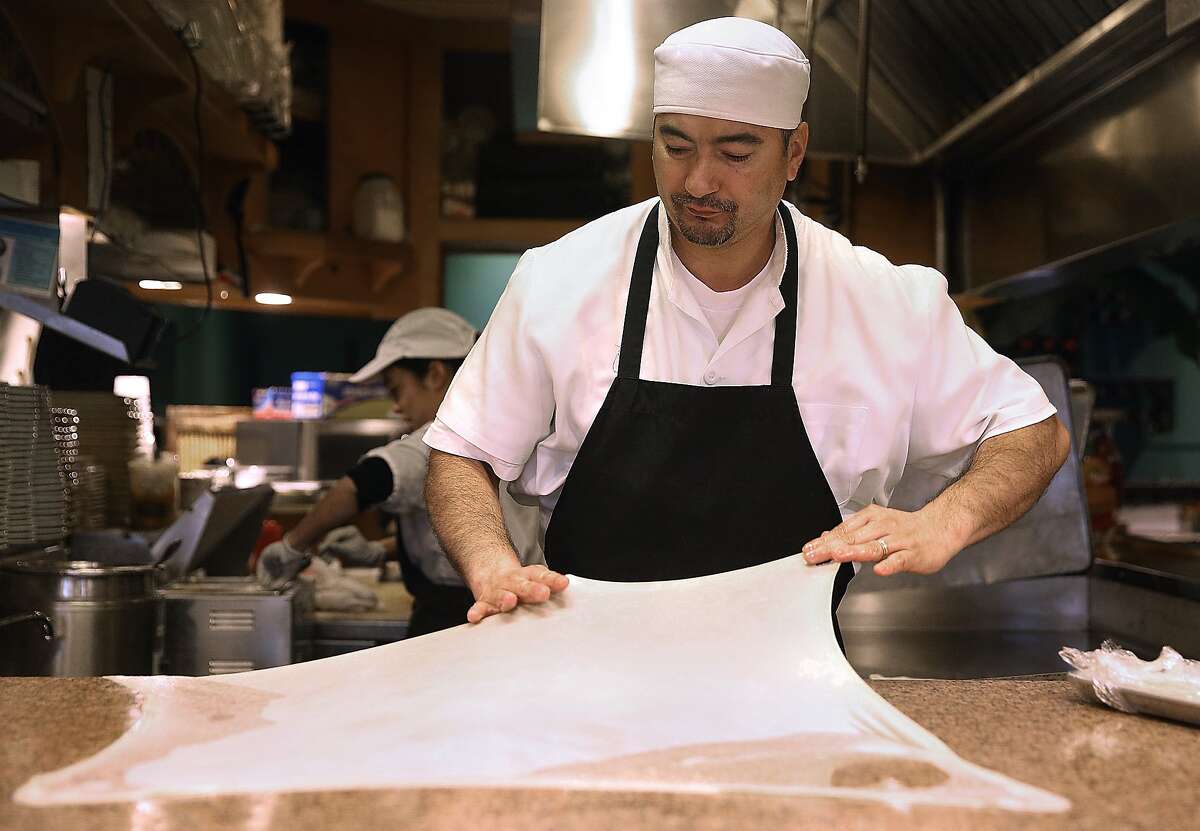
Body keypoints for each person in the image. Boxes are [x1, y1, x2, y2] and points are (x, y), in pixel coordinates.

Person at [422, 18, 1070, 643]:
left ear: (794, 153)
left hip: (798, 693)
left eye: (735, 152)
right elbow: (460, 452)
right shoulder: (557, 282)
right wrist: (491, 564)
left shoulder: (884, 301)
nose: (699, 180)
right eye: (675, 147)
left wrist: (945, 522)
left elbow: (1035, 433)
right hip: (585, 683)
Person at [256, 307, 541, 637]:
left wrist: (293, 545)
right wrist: (384, 549)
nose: (395, 406)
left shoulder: (442, 438)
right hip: (511, 607)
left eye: (396, 389)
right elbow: (479, 526)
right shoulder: (511, 427)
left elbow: (365, 482)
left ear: (435, 375)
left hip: (461, 616)